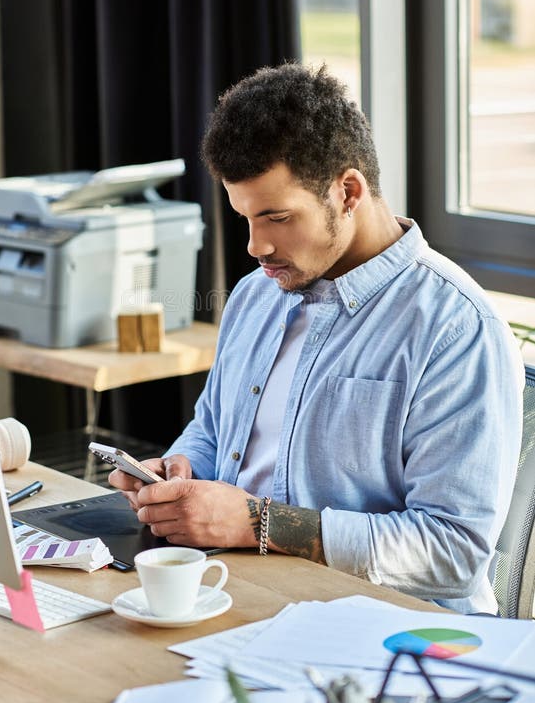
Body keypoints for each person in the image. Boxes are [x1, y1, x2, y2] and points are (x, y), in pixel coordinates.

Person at [110, 62, 524, 613]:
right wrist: (181, 470)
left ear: (348, 191)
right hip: (240, 594)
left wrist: (258, 523)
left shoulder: (456, 328)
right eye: (246, 218)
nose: (256, 246)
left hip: (388, 635)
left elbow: (453, 554)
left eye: (277, 217)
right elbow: (212, 428)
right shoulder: (256, 295)